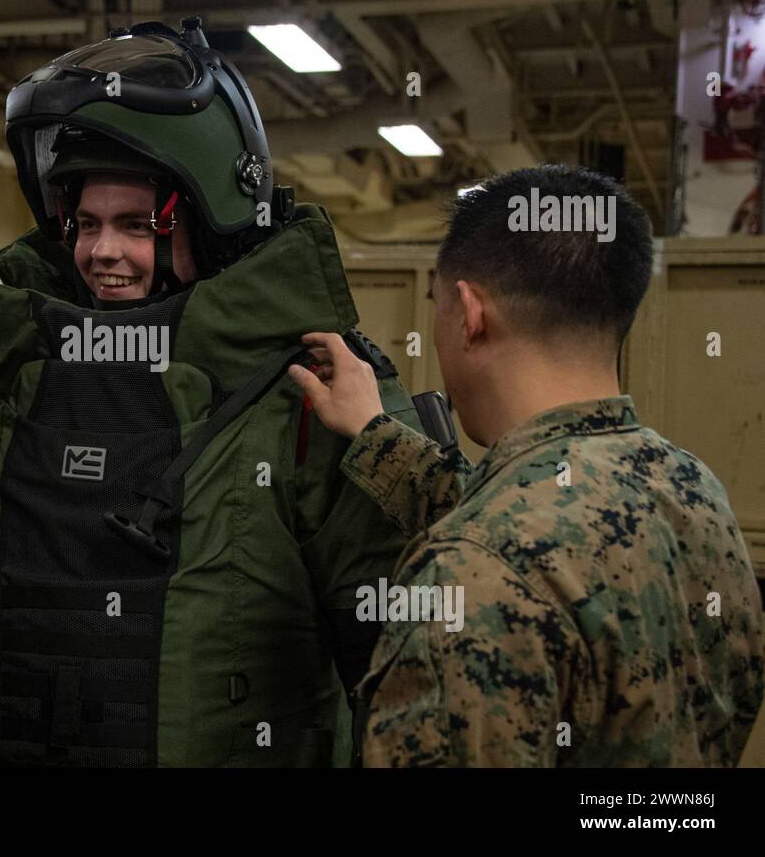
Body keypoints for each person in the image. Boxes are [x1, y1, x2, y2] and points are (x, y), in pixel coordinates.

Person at [0, 20, 437, 768]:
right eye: (87, 223)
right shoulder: (1, 390)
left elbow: (405, 663)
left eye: (139, 225)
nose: (104, 252)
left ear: (209, 223)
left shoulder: (311, 397)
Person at [290, 165, 765, 766]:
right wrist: (376, 433)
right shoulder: (694, 489)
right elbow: (531, 524)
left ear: (469, 313)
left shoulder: (467, 577)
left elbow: (505, 548)